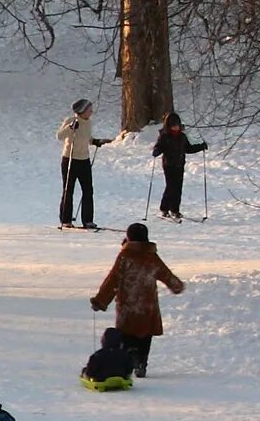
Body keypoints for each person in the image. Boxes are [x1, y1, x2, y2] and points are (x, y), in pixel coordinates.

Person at [90, 222, 185, 375]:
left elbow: (112, 280)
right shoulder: (151, 257)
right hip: (148, 307)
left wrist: (100, 301)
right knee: (145, 337)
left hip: (127, 307)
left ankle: (130, 359)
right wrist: (177, 286)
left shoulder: (125, 257)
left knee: (127, 336)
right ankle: (142, 362)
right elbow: (166, 274)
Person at [56, 97, 112, 229]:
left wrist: (95, 141)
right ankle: (66, 219)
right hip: (70, 159)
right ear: (82, 111)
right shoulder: (71, 121)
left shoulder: (89, 123)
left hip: (84, 160)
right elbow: (59, 136)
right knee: (68, 190)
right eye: (89, 109)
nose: (91, 112)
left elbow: (86, 138)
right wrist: (70, 128)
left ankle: (87, 220)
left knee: (88, 190)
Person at [150, 112, 205, 221]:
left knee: (177, 188)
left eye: (177, 125)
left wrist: (201, 147)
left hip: (179, 165)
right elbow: (159, 147)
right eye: (173, 125)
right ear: (169, 126)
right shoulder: (164, 136)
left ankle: (172, 209)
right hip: (169, 165)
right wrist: (156, 151)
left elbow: (188, 149)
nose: (176, 127)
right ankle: (168, 209)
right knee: (171, 187)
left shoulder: (182, 137)